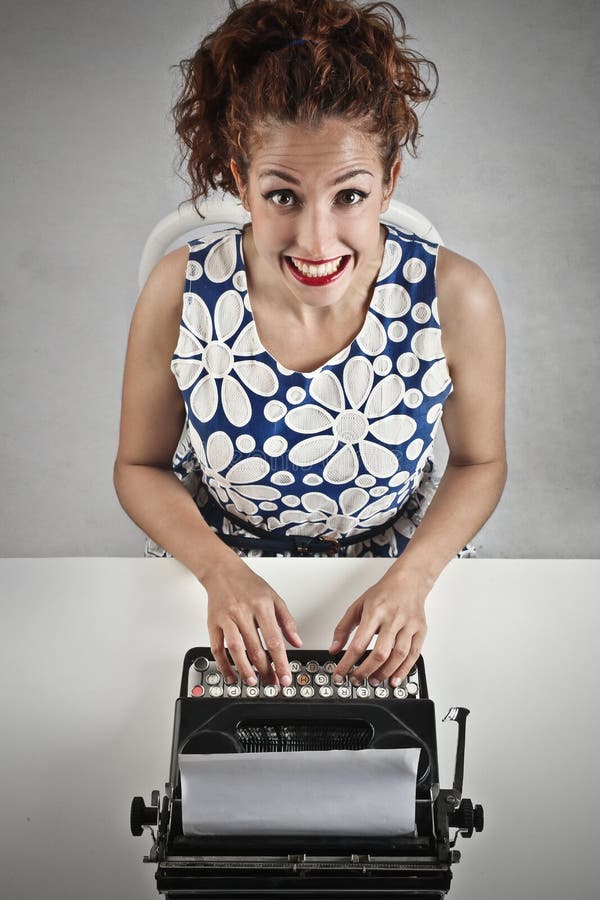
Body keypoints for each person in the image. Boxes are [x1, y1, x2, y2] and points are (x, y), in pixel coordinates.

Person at [114, 0, 507, 695]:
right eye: (283, 197)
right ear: (241, 182)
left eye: (349, 196)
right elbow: (139, 466)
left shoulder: (458, 297)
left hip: (395, 567)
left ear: (389, 183)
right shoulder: (180, 291)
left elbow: (481, 462)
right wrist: (220, 572)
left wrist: (412, 579)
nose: (317, 242)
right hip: (218, 562)